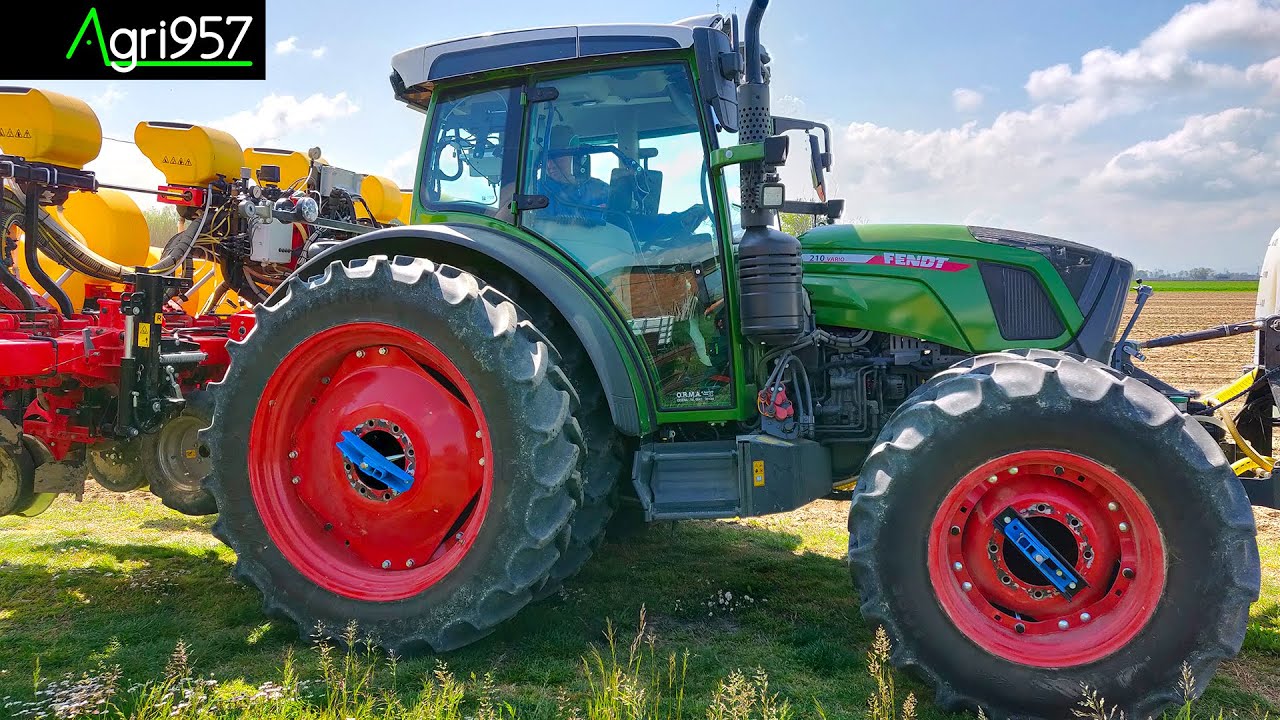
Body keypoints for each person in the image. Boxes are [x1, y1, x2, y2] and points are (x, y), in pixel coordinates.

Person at [537, 124, 709, 244]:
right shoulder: (536, 192)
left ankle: (679, 222)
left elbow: (631, 223)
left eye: (556, 156)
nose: (550, 165)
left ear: (576, 156)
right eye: (545, 159)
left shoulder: (599, 189)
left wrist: (679, 221)